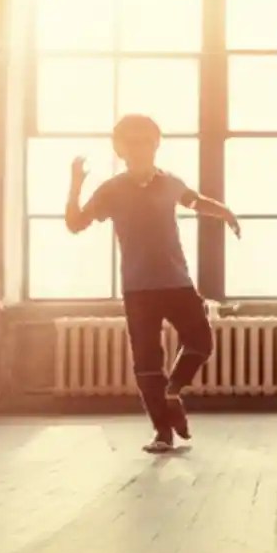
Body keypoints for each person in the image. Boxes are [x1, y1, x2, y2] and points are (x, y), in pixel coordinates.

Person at [64, 114, 240, 454]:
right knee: (146, 363)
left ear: (156, 144)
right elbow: (76, 223)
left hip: (176, 282)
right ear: (121, 149)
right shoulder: (111, 190)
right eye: (132, 143)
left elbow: (196, 201)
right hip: (138, 288)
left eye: (146, 141)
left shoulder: (169, 182)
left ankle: (173, 391)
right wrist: (75, 184)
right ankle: (163, 433)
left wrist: (226, 213)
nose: (140, 149)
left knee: (201, 341)